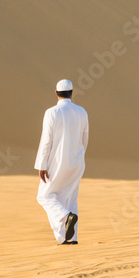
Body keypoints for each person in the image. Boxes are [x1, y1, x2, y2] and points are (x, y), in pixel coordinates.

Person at [35, 79, 89, 244]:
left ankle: (66, 217)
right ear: (71, 93)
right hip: (77, 162)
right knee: (70, 198)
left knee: (44, 196)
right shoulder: (82, 112)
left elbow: (46, 140)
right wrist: (78, 157)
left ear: (56, 93)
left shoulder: (52, 112)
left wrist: (42, 165)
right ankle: (68, 238)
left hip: (56, 163)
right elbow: (84, 139)